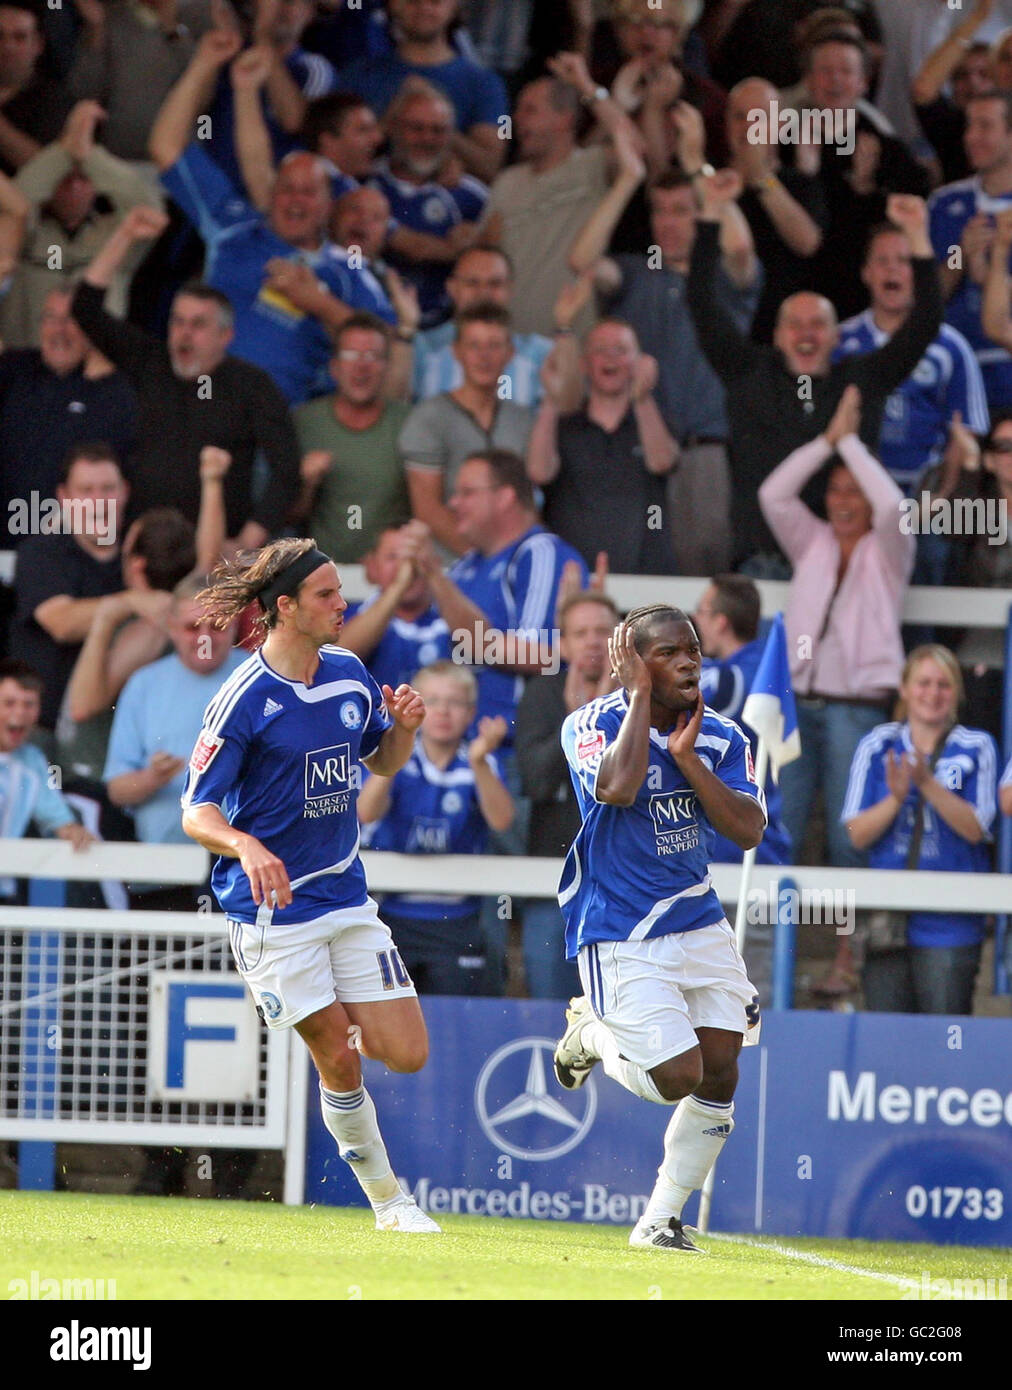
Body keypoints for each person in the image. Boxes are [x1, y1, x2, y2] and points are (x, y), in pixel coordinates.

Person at [180, 537, 439, 1232]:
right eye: (326, 594)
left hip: (346, 900)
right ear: (285, 608)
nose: (342, 602)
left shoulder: (352, 673)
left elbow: (380, 760)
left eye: (339, 590)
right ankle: (391, 1203)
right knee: (335, 1052)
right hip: (273, 912)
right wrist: (245, 845)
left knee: (406, 1053)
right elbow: (196, 808)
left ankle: (337, 1039)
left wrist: (407, 731)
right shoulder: (241, 698)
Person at [551, 603, 765, 1252]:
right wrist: (638, 699)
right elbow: (616, 787)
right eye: (668, 653)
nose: (688, 663)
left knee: (722, 1068)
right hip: (617, 926)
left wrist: (690, 760)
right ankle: (588, 1031)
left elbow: (750, 829)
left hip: (698, 919)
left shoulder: (723, 736)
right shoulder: (588, 725)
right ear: (633, 663)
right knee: (677, 1075)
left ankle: (660, 1221)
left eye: (693, 650)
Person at [688, 181, 941, 572]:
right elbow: (703, 305)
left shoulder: (860, 380)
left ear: (836, 336)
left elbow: (924, 324)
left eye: (818, 324)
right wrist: (709, 215)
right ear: (776, 336)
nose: (806, 333)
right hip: (762, 561)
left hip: (844, 563)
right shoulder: (749, 371)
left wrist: (918, 236)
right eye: (794, 324)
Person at [148, 30, 395, 404]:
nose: (295, 199)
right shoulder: (232, 227)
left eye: (309, 192)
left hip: (282, 430)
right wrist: (203, 65)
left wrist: (318, 302)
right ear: (269, 196)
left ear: (329, 205)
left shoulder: (350, 270)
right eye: (286, 189)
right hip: (201, 409)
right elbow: (165, 146)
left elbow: (387, 349)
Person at [73, 205, 301, 545]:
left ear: (225, 335)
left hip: (216, 549)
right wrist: (125, 234)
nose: (183, 333)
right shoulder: (150, 360)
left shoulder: (252, 385)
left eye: (198, 325)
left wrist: (245, 543)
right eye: (177, 322)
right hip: (142, 544)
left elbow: (286, 471)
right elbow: (86, 309)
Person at [758, 385, 914, 872]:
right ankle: (771, 942)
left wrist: (850, 444)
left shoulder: (889, 550)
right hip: (798, 705)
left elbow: (893, 508)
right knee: (781, 823)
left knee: (851, 832)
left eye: (855, 491)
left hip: (857, 709)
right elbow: (773, 493)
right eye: (836, 489)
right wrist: (827, 441)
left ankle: (850, 943)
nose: (844, 501)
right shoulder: (812, 541)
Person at [842, 644, 998, 1015]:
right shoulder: (878, 744)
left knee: (945, 1036)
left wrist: (927, 785)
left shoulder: (976, 746)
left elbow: (977, 828)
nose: (932, 693)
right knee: (888, 1039)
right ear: (905, 689)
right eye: (923, 683)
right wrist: (896, 799)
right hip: (887, 918)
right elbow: (857, 834)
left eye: (943, 685)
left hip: (951, 921)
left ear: (957, 693)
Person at [358, 659, 512, 994]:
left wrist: (479, 762)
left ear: (471, 712)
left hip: (457, 917)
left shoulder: (480, 759)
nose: (443, 712)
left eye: (455, 702)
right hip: (392, 913)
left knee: (455, 1019)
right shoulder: (396, 754)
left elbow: (502, 820)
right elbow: (366, 812)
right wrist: (398, 745)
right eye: (432, 701)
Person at [514, 588, 617, 999]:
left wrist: (604, 710)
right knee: (550, 1010)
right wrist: (578, 722)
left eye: (602, 631)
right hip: (553, 876)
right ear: (563, 643)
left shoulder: (644, 697)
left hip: (624, 881)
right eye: (580, 633)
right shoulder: (543, 692)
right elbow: (534, 780)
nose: (592, 641)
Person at [835, 221, 989, 496]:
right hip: (855, 496)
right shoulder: (839, 342)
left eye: (904, 260)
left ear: (920, 275)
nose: (892, 268)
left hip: (926, 495)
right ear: (866, 273)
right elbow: (807, 402)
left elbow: (964, 434)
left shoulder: (951, 346)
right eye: (882, 260)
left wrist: (938, 500)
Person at [1, 99, 165, 346]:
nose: (75, 186)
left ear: (98, 186)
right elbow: (12, 205)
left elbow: (150, 212)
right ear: (50, 186)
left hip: (96, 366)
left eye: (85, 178)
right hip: (27, 364)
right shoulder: (26, 232)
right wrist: (62, 151)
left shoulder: (119, 234)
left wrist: (90, 156)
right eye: (65, 179)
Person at [528, 316, 678, 575]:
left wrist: (642, 398)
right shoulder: (562, 425)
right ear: (584, 364)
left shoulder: (655, 418)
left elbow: (661, 461)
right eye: (600, 350)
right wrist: (551, 400)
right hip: (572, 578)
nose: (611, 358)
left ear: (639, 362)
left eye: (621, 350)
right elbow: (538, 472)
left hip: (646, 577)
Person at [400, 302, 534, 555]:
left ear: (510, 353)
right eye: (474, 345)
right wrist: (487, 562)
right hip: (450, 571)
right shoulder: (429, 417)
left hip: (511, 567)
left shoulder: (523, 420)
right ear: (456, 352)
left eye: (494, 345)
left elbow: (528, 503)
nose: (484, 356)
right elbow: (427, 509)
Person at [336, 0, 508, 183]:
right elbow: (335, 155)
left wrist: (439, 127)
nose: (424, 7)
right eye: (413, 1)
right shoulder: (358, 74)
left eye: (436, 1)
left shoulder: (485, 83)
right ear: (394, 5)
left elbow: (491, 166)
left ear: (455, 6)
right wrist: (392, 116)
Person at [0, 287, 136, 517]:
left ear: (92, 329)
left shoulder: (114, 390)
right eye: (50, 318)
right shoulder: (15, 368)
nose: (59, 330)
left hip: (69, 543)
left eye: (71, 320)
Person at [291, 312, 411, 563]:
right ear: (334, 367)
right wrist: (306, 483)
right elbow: (287, 517)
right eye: (350, 355)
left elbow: (425, 510)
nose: (362, 366)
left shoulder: (410, 423)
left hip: (391, 574)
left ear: (386, 367)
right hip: (321, 575)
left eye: (373, 356)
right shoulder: (304, 422)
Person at [930, 89, 1012, 409]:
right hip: (957, 367)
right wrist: (959, 256)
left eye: (985, 126)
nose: (971, 137)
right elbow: (927, 297)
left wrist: (990, 275)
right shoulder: (946, 204)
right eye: (969, 126)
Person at [0, 659, 94, 905]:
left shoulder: (32, 761)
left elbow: (58, 818)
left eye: (28, 704)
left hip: (5, 892)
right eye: (9, 703)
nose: (19, 713)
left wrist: (73, 830)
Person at [339, 525, 450, 691]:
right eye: (392, 557)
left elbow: (481, 645)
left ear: (436, 562)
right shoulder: (350, 614)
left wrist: (434, 574)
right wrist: (399, 586)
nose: (407, 566)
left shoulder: (453, 613)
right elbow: (339, 656)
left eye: (416, 556)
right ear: (371, 567)